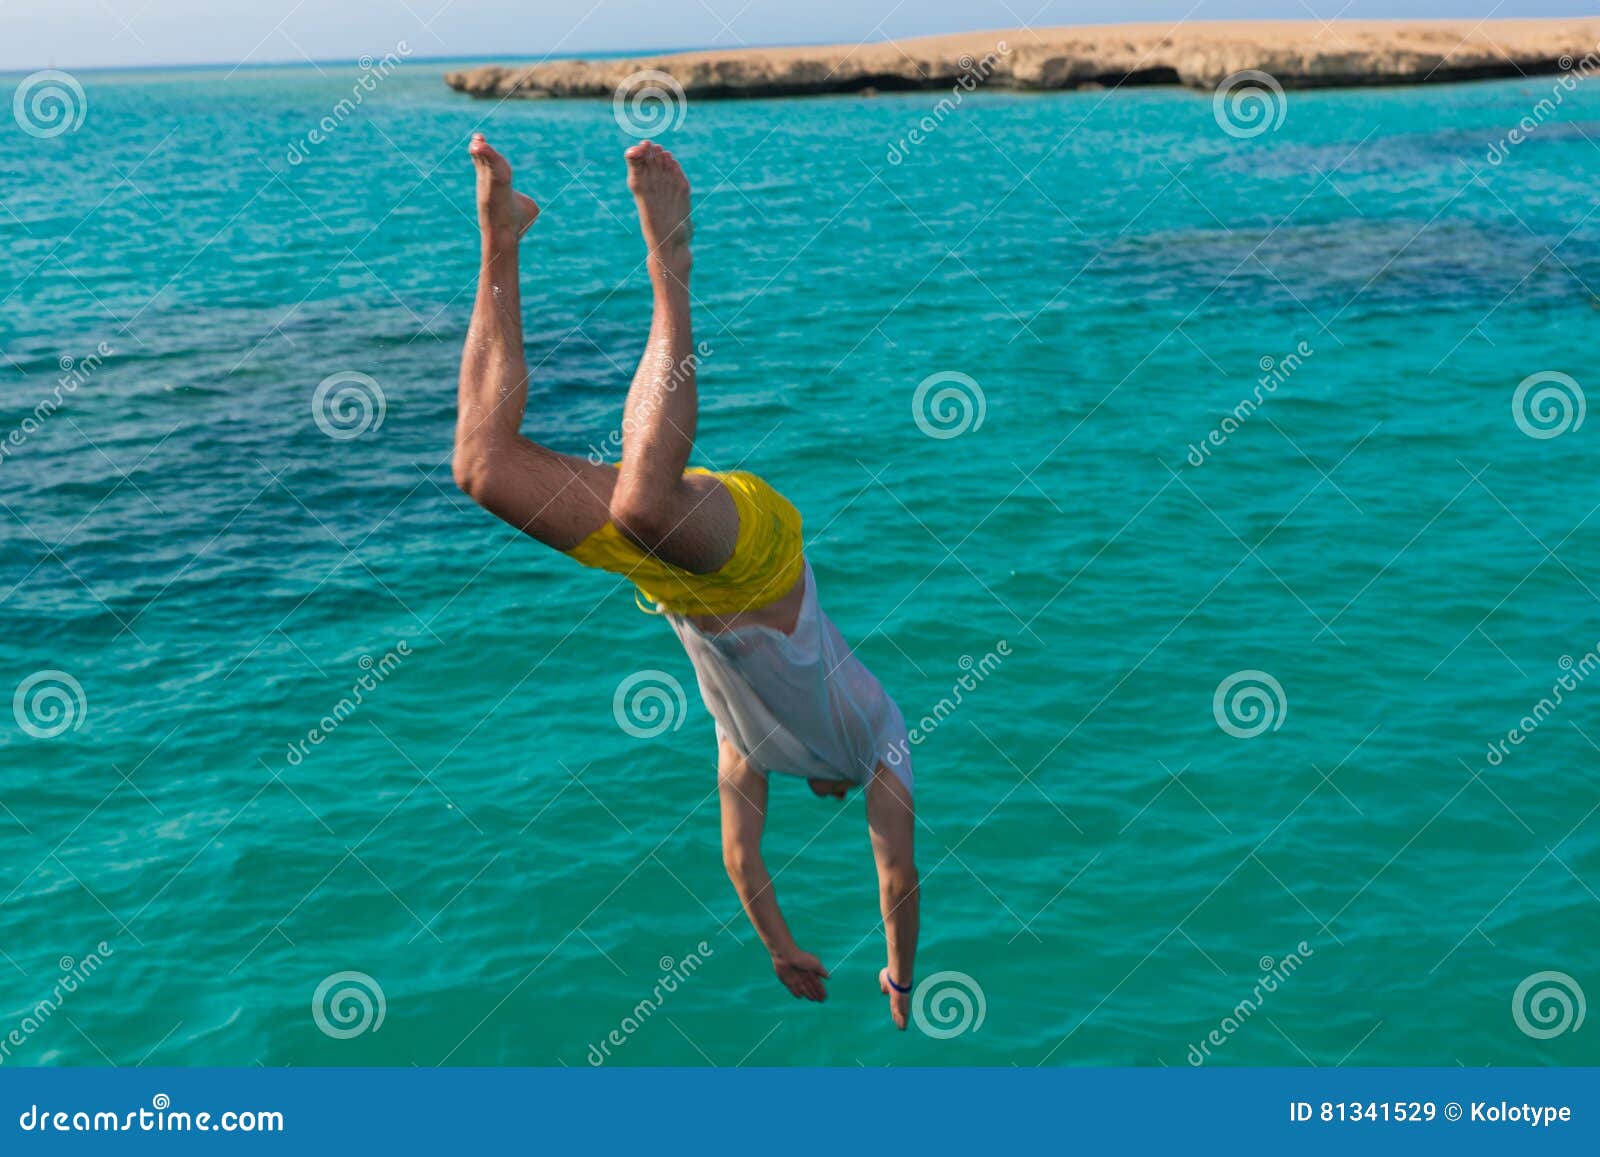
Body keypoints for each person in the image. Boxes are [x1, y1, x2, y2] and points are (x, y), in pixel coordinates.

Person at [453, 133, 919, 1029]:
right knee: (641, 502)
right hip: (756, 549)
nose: (824, 793)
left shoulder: (747, 746)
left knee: (481, 464)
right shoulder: (882, 742)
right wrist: (899, 975)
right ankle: (670, 257)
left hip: (667, 579)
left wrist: (781, 948)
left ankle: (501, 235)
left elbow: (743, 861)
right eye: (833, 793)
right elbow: (895, 872)